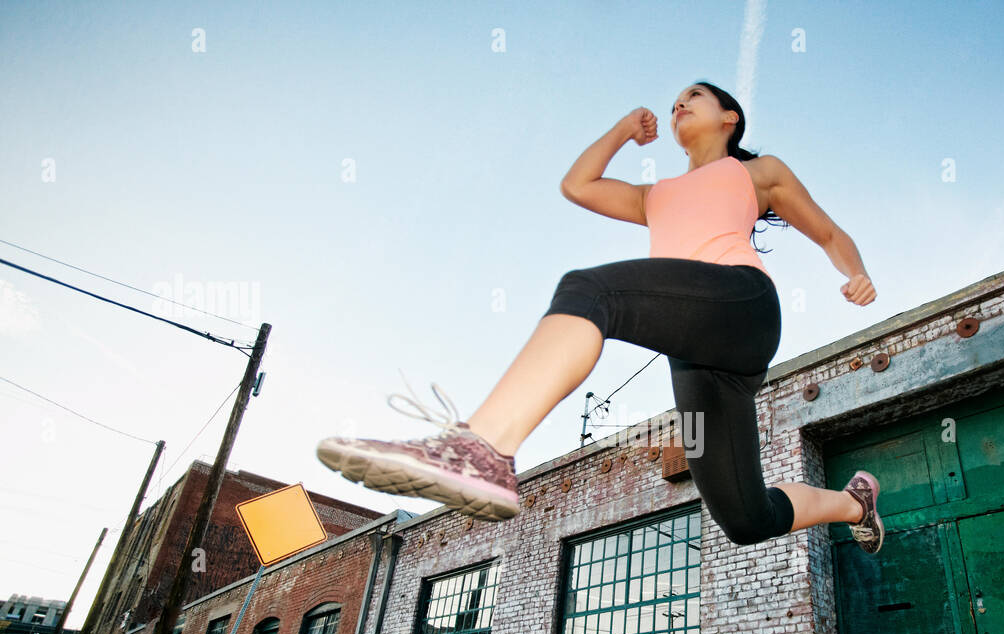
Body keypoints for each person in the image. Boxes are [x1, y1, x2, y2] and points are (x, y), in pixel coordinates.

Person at [316, 80, 884, 553]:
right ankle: (854, 504)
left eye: (694, 96)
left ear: (729, 117)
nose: (678, 104)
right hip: (692, 352)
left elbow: (829, 232)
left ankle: (480, 448)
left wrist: (852, 271)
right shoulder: (654, 194)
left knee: (589, 291)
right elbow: (577, 185)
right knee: (744, 518)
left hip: (741, 306)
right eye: (673, 102)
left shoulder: (758, 173)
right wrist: (620, 131)